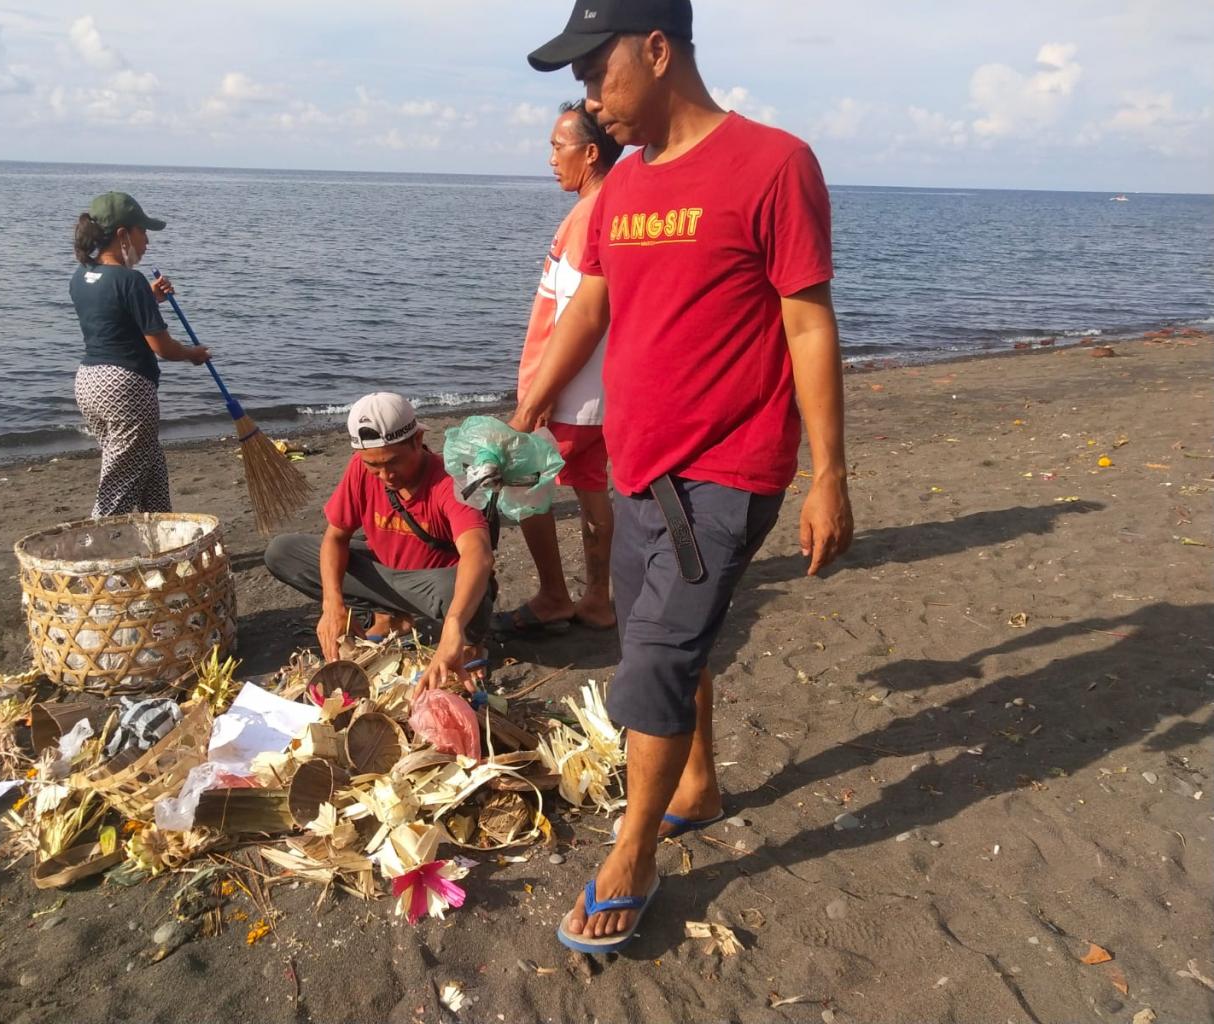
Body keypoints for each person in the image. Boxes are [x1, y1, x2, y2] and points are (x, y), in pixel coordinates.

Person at [516, 0, 854, 953]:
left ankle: (633, 855)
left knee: (657, 658)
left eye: (597, 73)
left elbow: (808, 324)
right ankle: (696, 783)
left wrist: (830, 473)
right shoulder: (624, 185)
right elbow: (593, 304)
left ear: (658, 49)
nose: (592, 99)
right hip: (638, 467)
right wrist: (531, 404)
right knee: (661, 641)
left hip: (727, 468)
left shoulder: (775, 164)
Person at [495, 100, 624, 637]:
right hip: (595, 397)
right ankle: (597, 599)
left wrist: (537, 400)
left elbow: (581, 318)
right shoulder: (612, 204)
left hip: (565, 396)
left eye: (558, 146)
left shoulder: (590, 214)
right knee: (592, 488)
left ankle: (553, 595)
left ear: (590, 153)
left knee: (519, 485)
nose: (551, 158)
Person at [264, 393, 495, 691]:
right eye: (373, 465)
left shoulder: (449, 479)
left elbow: (478, 552)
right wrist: (332, 604)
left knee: (458, 585)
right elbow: (335, 537)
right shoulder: (360, 469)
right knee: (283, 551)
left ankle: (468, 642)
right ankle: (392, 618)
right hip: (387, 577)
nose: (385, 475)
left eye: (392, 462)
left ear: (417, 439)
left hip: (432, 586)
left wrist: (452, 627)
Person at [70, 192, 210, 518]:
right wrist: (192, 354)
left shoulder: (82, 276)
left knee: (147, 463)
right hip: (126, 388)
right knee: (118, 485)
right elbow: (162, 347)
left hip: (89, 383)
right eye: (142, 232)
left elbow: (112, 315)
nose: (146, 241)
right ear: (123, 234)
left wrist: (148, 297)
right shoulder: (131, 280)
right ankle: (98, 542)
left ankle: (160, 532)